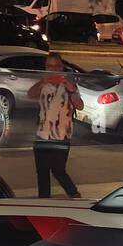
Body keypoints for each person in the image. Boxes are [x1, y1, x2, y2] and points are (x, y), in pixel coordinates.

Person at [27, 53, 82, 198]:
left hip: (61, 135)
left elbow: (80, 105)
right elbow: (30, 94)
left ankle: (74, 194)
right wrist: (42, 82)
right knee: (42, 173)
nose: (52, 69)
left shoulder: (68, 85)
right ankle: (44, 202)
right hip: (42, 134)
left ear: (61, 67)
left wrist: (71, 89)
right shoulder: (44, 84)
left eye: (55, 66)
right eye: (49, 66)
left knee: (58, 170)